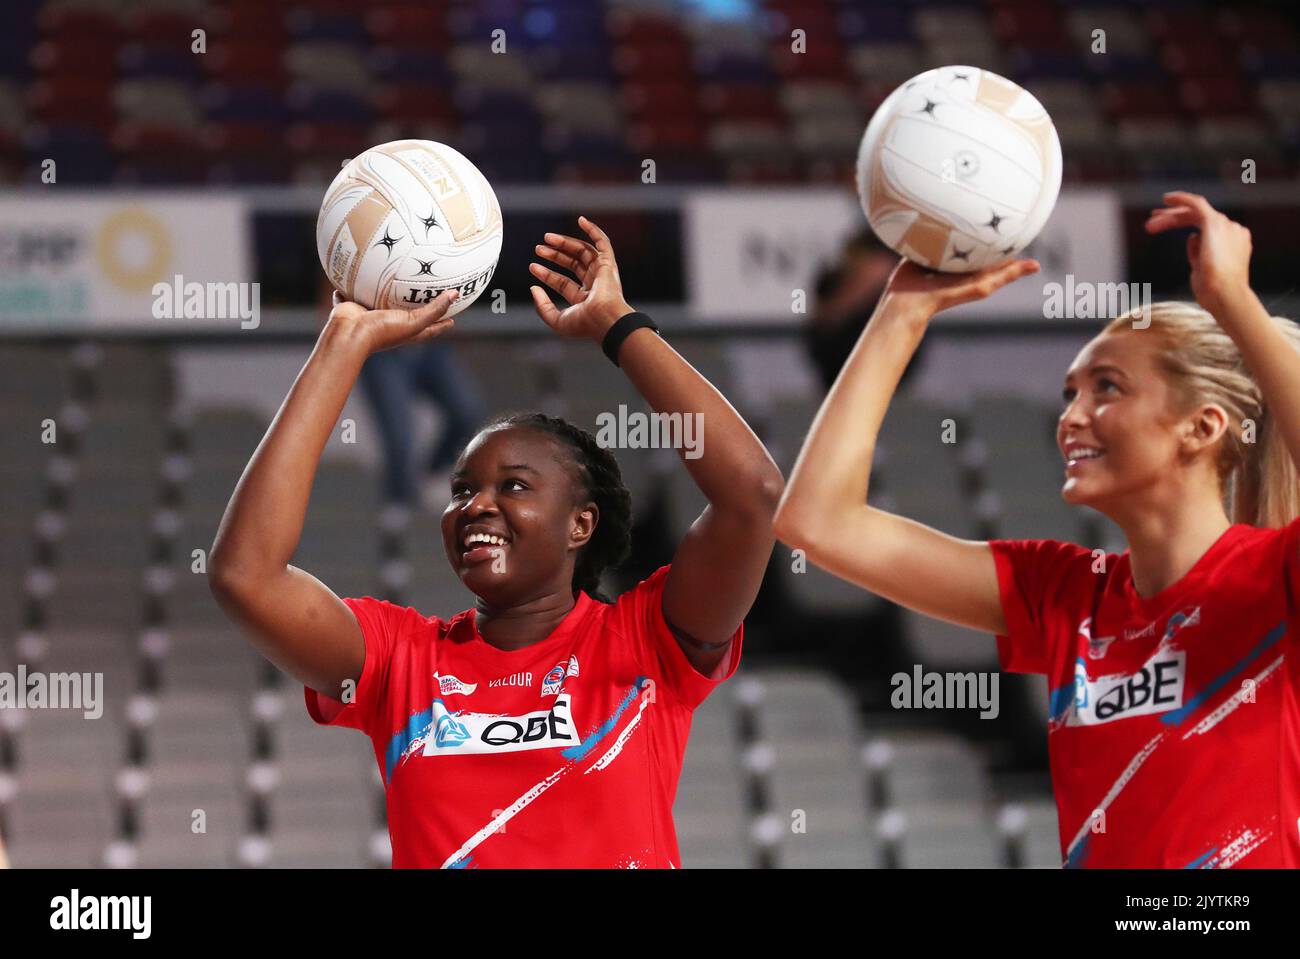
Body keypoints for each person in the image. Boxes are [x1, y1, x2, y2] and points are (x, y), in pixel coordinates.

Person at [209, 216, 782, 868]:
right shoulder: (401, 662)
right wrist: (342, 342)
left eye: (514, 486)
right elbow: (245, 575)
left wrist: (618, 325)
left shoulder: (645, 642)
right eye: (461, 488)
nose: (475, 504)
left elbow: (753, 497)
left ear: (581, 524)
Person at [774, 191, 1300, 868]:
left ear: (1201, 427)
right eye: (1069, 393)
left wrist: (1234, 302)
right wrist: (901, 314)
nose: (1072, 417)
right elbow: (816, 520)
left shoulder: (1273, 576)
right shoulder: (1062, 592)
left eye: (1106, 388)